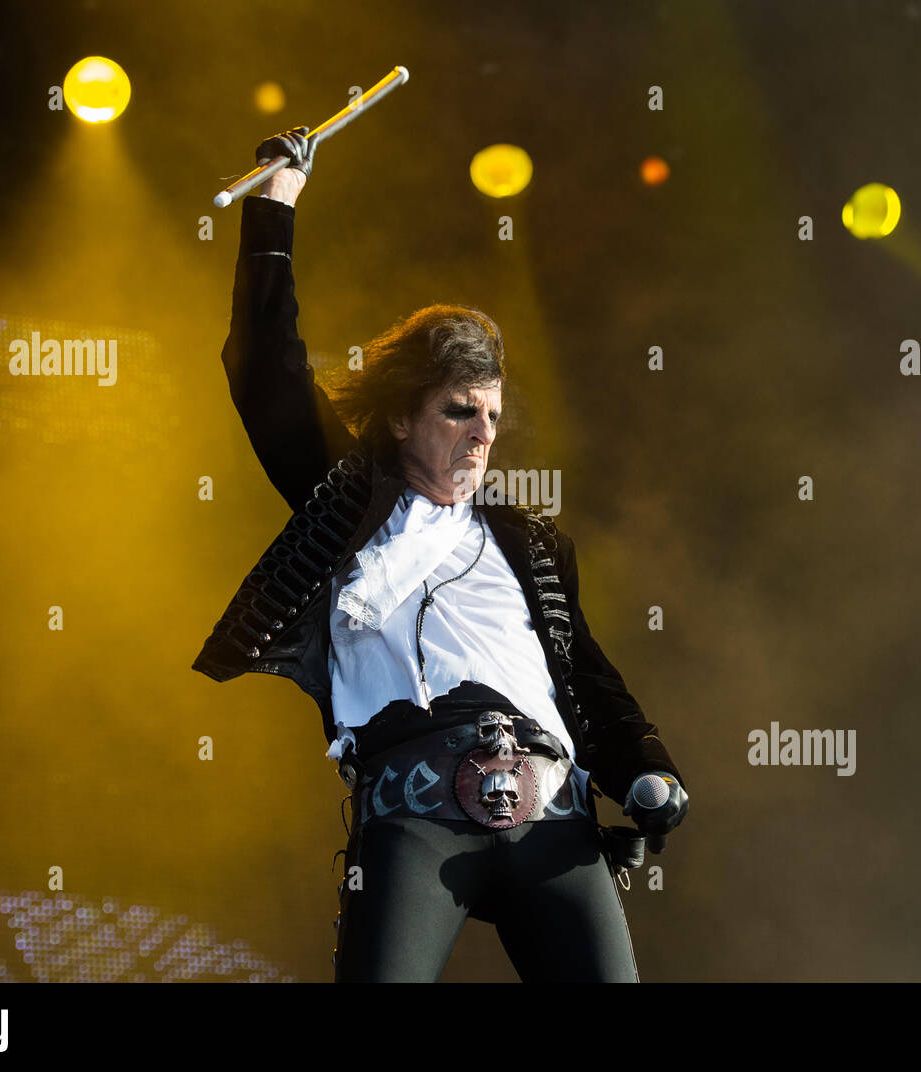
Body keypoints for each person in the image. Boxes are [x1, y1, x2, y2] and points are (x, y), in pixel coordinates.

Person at [193, 126, 688, 982]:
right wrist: (275, 205)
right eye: (461, 411)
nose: (483, 434)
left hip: (552, 814)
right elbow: (265, 370)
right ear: (398, 418)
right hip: (411, 810)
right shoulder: (346, 501)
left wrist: (649, 771)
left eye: (492, 417)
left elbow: (587, 679)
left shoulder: (529, 543)